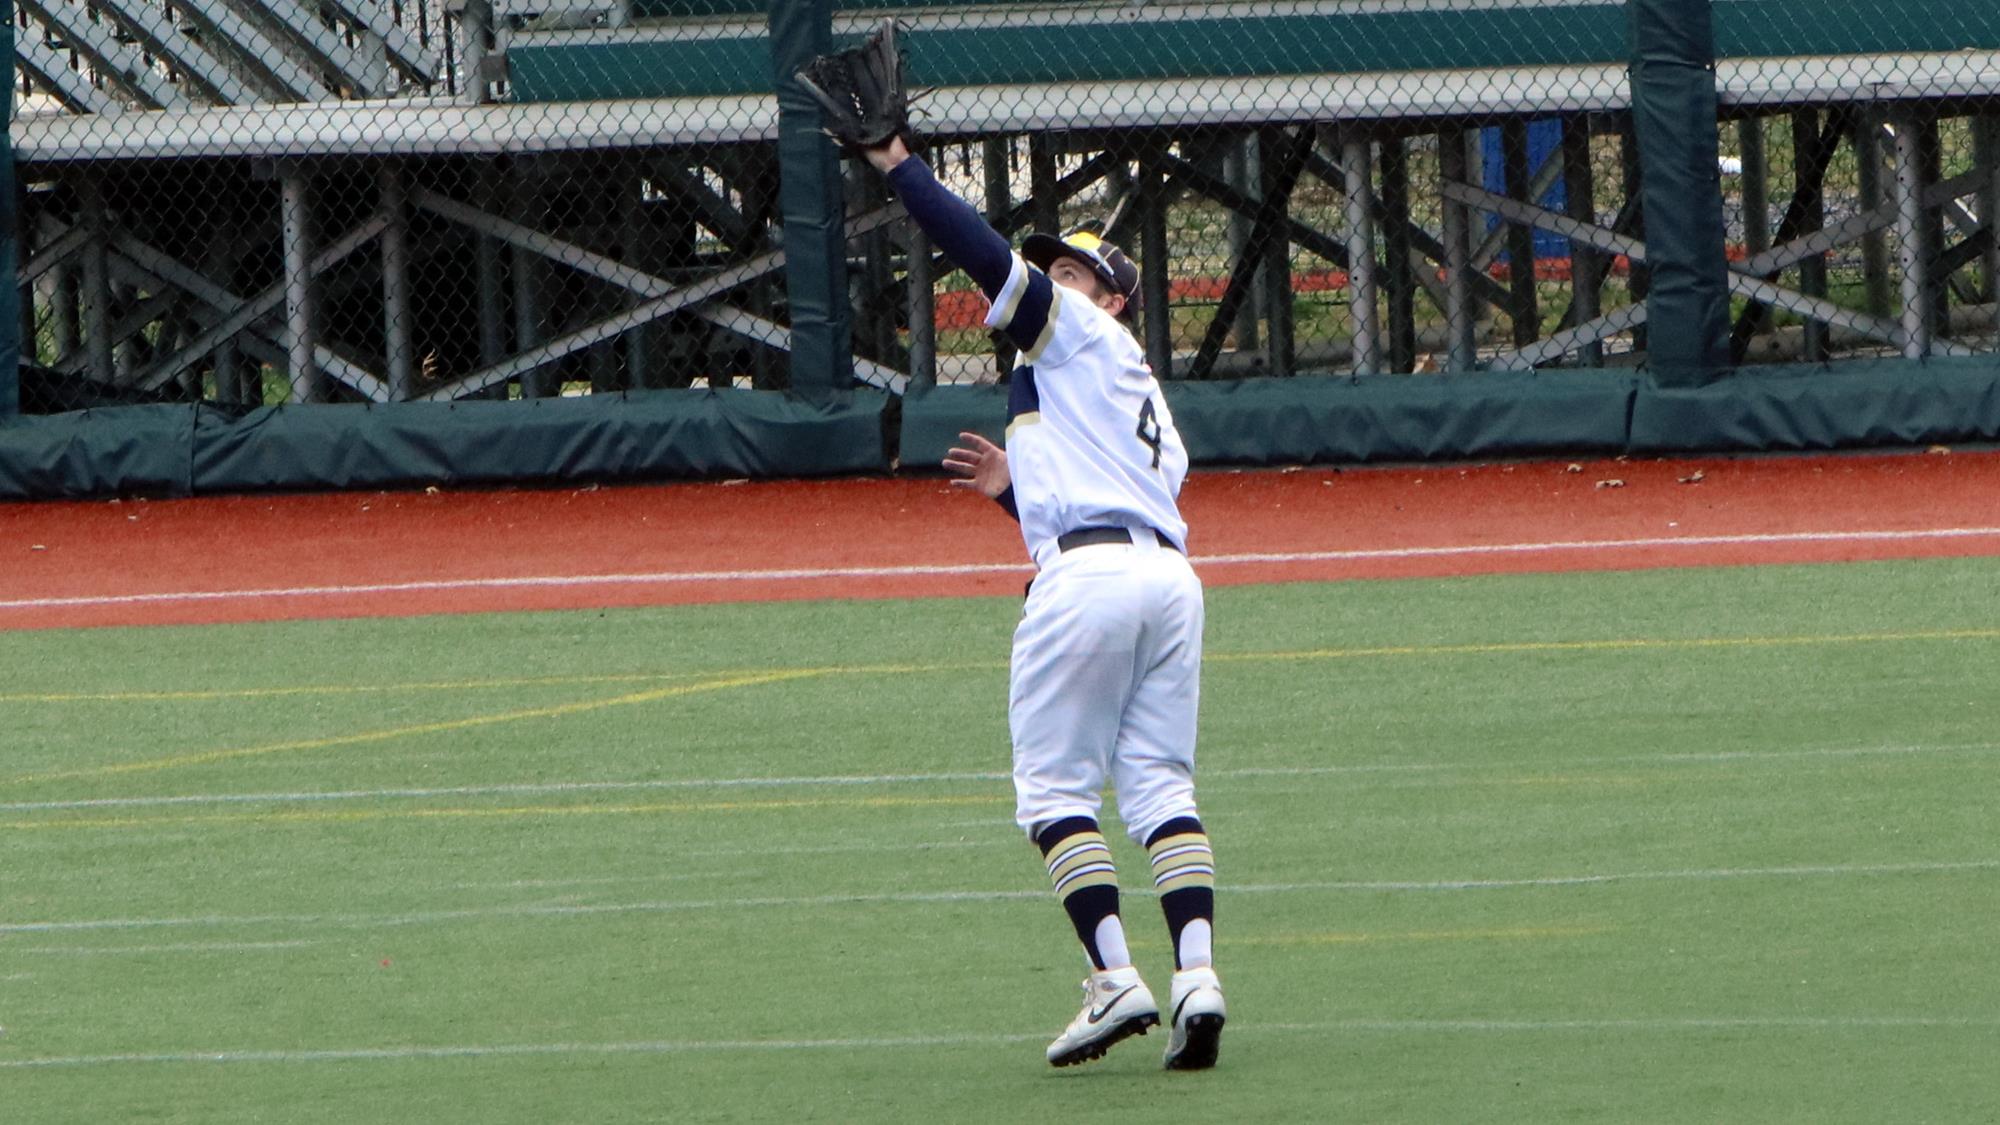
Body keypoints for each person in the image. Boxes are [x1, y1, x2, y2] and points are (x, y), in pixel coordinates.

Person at [861, 135, 1225, 1070]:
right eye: (1054, 269)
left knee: (1056, 792)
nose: (1051, 281)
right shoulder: (1130, 394)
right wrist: (1014, 495)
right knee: (1159, 786)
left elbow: (982, 253)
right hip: (1167, 583)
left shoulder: (1083, 333)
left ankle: (1113, 978)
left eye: (1075, 275)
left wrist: (897, 164)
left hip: (1090, 583)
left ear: (1111, 302)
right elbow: (1108, 504)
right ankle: (1198, 977)